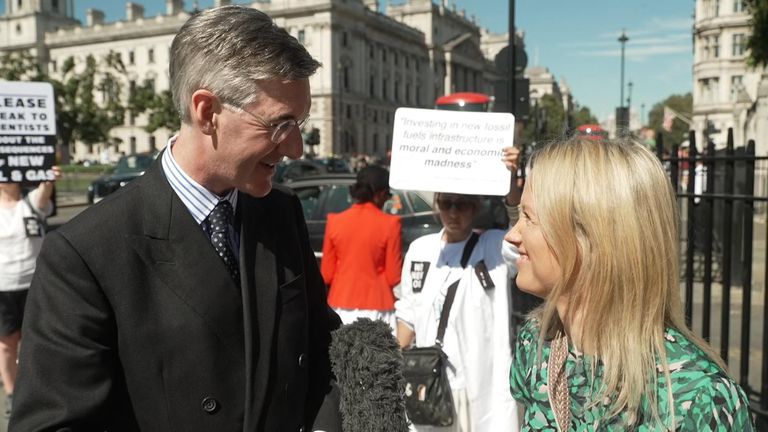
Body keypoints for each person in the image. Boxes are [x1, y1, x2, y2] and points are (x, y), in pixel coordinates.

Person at [10, 6, 338, 431]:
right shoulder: (84, 254)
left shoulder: (280, 212)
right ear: (207, 111)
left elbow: (321, 348)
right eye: (279, 125)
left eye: (300, 123)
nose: (296, 147)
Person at [506, 137, 755, 431]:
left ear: (593, 240)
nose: (512, 235)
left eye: (529, 218)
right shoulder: (536, 344)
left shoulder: (700, 399)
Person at [396, 192, 520, 431]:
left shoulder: (493, 246)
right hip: (430, 384)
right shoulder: (420, 250)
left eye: (462, 205)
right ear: (437, 206)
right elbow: (408, 313)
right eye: (446, 204)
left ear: (475, 207)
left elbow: (519, 237)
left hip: (478, 383)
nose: (453, 213)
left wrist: (512, 184)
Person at [0, 171, 57, 418]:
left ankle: (38, 393)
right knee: (6, 345)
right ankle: (12, 394)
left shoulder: (31, 202)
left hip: (34, 284)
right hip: (3, 286)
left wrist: (49, 175)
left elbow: (44, 192)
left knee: (36, 342)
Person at [321, 165, 402, 329]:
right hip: (378, 305)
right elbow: (393, 276)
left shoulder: (335, 221)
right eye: (387, 195)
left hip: (340, 304)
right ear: (380, 194)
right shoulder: (391, 224)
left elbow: (327, 274)